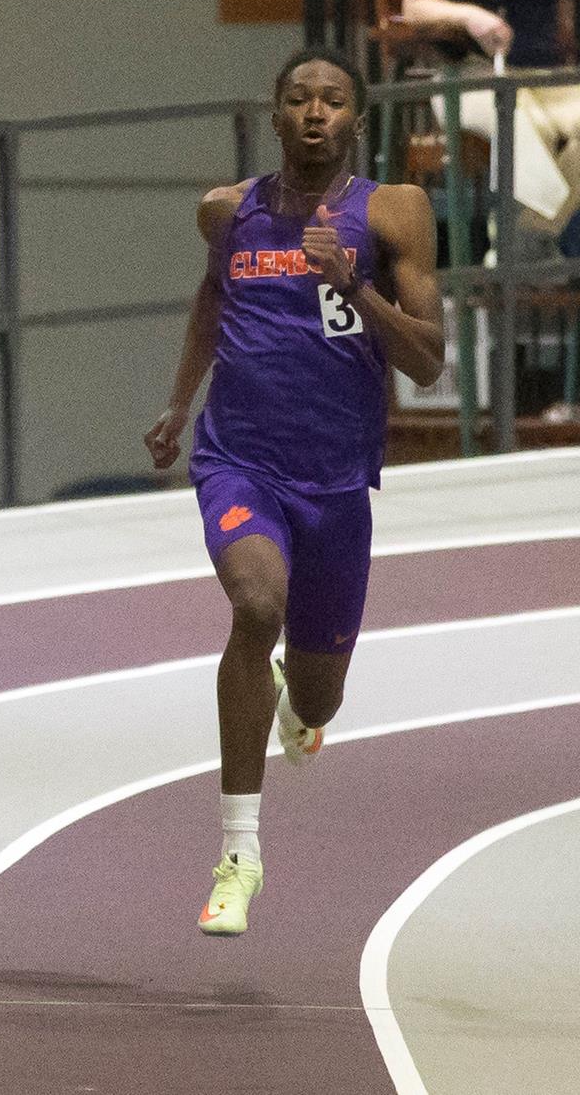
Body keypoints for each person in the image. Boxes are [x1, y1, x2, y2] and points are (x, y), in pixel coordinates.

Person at [145, 50, 444, 936]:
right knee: (254, 601)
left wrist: (350, 282)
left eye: (334, 100)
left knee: (318, 698)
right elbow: (211, 303)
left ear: (357, 118)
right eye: (298, 100)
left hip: (339, 483)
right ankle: (239, 850)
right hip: (239, 461)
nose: (315, 112)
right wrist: (178, 403)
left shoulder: (393, 213)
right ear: (274, 118)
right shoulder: (227, 213)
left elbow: (427, 362)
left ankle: (298, 703)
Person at [403, 0, 580, 248]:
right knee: (521, 125)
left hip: (547, 74)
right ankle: (520, 257)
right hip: (472, 71)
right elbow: (414, 6)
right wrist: (469, 17)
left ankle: (525, 245)